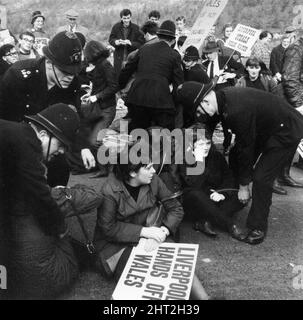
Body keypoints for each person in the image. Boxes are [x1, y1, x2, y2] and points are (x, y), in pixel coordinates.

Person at [177, 81, 303, 245]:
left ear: (205, 101)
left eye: (200, 111)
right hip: (264, 127)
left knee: (261, 178)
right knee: (236, 158)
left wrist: (244, 186)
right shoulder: (221, 99)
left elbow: (247, 147)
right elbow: (214, 129)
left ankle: (257, 226)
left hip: (286, 130)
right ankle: (223, 209)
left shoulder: (237, 110)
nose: (202, 115)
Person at [93, 142, 213, 300]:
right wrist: (145, 233)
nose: (154, 171)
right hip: (117, 244)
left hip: (152, 233)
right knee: (141, 276)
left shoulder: (154, 180)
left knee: (174, 260)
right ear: (132, 172)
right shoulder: (109, 189)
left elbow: (175, 208)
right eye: (148, 167)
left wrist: (163, 231)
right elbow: (108, 228)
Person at [0, 104, 80, 299]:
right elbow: (40, 194)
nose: (61, 152)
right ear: (43, 134)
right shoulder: (27, 142)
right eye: (60, 145)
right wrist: (59, 227)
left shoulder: (14, 133)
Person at [0, 31, 96, 186]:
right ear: (49, 62)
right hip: (14, 138)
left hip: (47, 142)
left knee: (60, 169)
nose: (70, 77)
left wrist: (83, 146)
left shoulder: (72, 83)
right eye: (65, 71)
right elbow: (4, 118)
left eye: (73, 72)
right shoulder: (18, 76)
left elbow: (76, 115)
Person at [176, 124, 245, 239]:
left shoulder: (215, 155)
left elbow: (228, 176)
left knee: (241, 197)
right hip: (194, 200)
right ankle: (229, 224)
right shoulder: (183, 159)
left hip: (216, 195)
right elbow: (194, 185)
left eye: (208, 143)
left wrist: (223, 194)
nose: (206, 147)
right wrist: (199, 161)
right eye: (201, 144)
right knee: (195, 194)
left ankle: (206, 221)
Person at [235, 57, 288, 195]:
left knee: (269, 151)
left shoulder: (267, 81)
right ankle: (242, 180)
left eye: (256, 67)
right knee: (247, 152)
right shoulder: (241, 82)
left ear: (260, 68)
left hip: (265, 121)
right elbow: (236, 102)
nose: (253, 70)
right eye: (251, 67)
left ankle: (272, 180)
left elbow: (277, 98)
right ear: (246, 68)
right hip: (249, 123)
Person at [119, 20, 184, 131]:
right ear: (173, 40)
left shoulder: (144, 48)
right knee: (163, 135)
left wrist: (121, 88)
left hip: (137, 97)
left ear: (158, 36)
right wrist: (173, 102)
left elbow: (126, 71)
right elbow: (178, 85)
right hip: (160, 100)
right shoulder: (174, 55)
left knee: (136, 132)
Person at [82, 40, 119, 146]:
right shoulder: (97, 65)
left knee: (95, 140)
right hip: (97, 108)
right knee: (90, 138)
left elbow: (114, 86)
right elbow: (100, 85)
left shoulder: (105, 65)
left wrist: (97, 96)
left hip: (107, 109)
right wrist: (90, 94)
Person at [282, 32, 303, 173]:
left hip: (296, 98)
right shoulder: (296, 49)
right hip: (293, 101)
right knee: (285, 141)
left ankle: (284, 174)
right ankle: (277, 177)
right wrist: (299, 104)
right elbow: (290, 79)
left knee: (293, 140)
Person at [109, 9, 144, 77]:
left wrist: (131, 43)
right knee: (118, 78)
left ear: (131, 17)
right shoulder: (116, 27)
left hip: (131, 59)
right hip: (119, 58)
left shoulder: (136, 28)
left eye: (128, 18)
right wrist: (115, 42)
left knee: (130, 79)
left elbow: (141, 43)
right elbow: (111, 39)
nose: (126, 20)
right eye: (124, 18)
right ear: (121, 18)